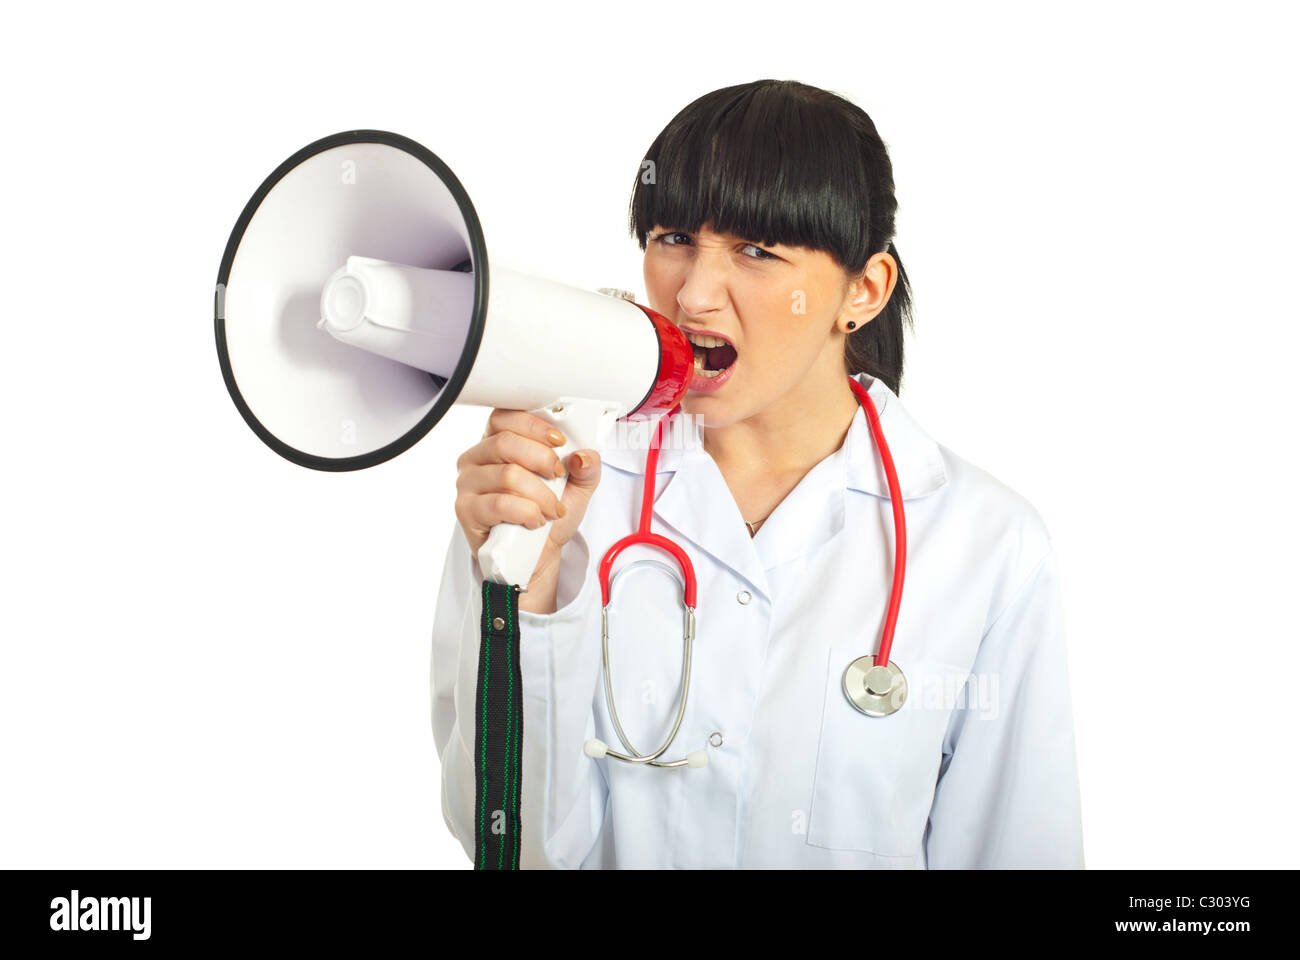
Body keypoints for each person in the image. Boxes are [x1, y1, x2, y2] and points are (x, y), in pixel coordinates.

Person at [431, 79, 1084, 868]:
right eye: (672, 236)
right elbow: (506, 844)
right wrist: (527, 599)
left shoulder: (987, 545)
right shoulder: (551, 487)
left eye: (757, 250)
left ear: (863, 291)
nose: (694, 292)